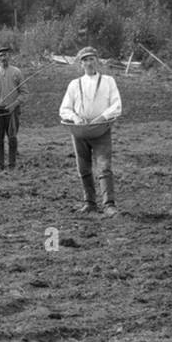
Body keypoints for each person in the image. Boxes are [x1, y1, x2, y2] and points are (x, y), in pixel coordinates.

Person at [58, 46, 122, 215]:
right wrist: (76, 118)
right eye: (85, 60)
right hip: (79, 132)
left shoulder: (108, 81)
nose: (88, 63)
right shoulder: (74, 84)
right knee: (83, 168)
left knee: (104, 166)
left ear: (97, 61)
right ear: (81, 64)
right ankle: (90, 203)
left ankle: (109, 205)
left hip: (101, 131)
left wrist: (102, 117)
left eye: (91, 59)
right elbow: (64, 109)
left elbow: (117, 105)